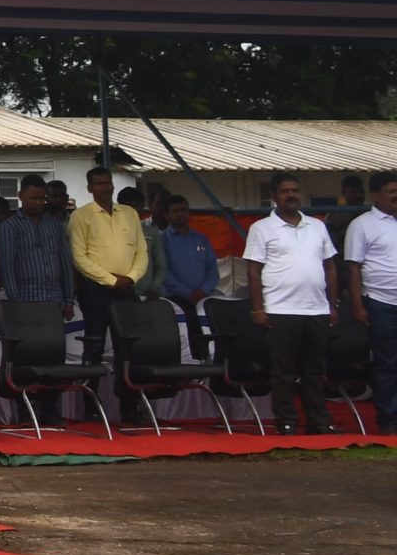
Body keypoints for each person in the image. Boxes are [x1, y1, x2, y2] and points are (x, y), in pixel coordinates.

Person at [243, 174, 340, 435]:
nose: (291, 195)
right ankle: (286, 422)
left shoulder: (317, 226)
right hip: (280, 309)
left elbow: (330, 267)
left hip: (316, 309)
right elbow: (253, 271)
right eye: (285, 191)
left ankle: (318, 422)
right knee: (284, 371)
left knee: (314, 370)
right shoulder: (261, 228)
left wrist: (332, 305)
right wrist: (258, 308)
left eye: (295, 190)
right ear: (274, 196)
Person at [68, 166, 146, 367]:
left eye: (108, 183)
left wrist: (131, 278)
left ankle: (126, 387)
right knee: (95, 344)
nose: (105, 188)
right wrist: (111, 280)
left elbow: (141, 252)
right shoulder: (80, 216)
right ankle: (90, 388)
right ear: (90, 188)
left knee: (130, 344)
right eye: (99, 184)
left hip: (126, 287)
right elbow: (78, 257)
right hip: (96, 290)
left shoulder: (129, 213)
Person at [344, 174, 397, 435]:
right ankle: (388, 419)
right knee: (387, 362)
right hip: (380, 302)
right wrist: (358, 306)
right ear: (375, 195)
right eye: (391, 191)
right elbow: (353, 267)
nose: (396, 196)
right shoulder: (361, 225)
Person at [0, 180, 76, 315]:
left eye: (42, 198)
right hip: (25, 299)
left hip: (55, 298)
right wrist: (15, 301)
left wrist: (69, 300)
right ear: (20, 196)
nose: (39, 203)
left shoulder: (55, 225)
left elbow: (65, 262)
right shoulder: (9, 227)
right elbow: (7, 266)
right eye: (33, 198)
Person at [161, 196, 220, 361]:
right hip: (176, 300)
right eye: (175, 211)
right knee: (187, 336)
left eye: (184, 210)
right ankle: (190, 370)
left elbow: (212, 270)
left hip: (203, 297)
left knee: (214, 328)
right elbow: (164, 273)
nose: (180, 214)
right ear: (166, 215)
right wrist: (188, 294)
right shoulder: (162, 240)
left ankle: (211, 366)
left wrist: (203, 291)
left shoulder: (201, 239)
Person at [117, 187, 169, 303]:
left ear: (142, 207)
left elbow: (160, 265)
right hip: (118, 293)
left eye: (136, 205)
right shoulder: (109, 231)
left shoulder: (151, 232)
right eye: (127, 205)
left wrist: (154, 288)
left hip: (148, 296)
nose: (132, 209)